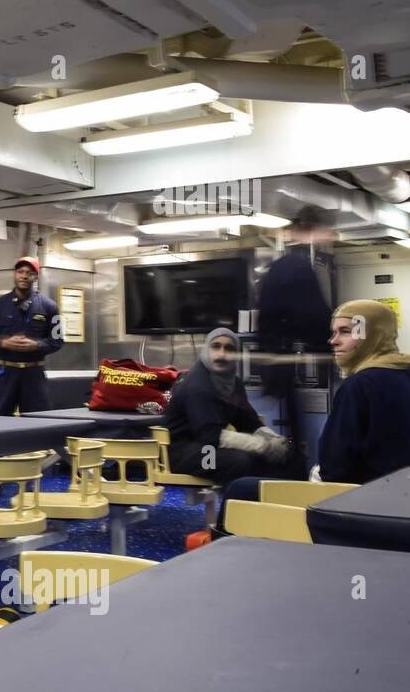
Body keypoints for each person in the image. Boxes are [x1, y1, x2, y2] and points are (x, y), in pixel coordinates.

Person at [163, 328, 305, 485]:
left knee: (290, 456)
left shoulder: (233, 383)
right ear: (206, 351)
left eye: (229, 348)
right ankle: (236, 506)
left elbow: (249, 422)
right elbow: (210, 435)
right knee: (239, 461)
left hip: (209, 447)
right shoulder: (197, 384)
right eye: (215, 346)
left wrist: (278, 442)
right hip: (185, 454)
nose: (222, 354)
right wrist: (265, 446)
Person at [256, 206, 332, 441]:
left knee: (293, 424)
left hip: (279, 358)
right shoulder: (297, 267)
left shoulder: (285, 266)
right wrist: (330, 343)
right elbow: (312, 314)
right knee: (297, 427)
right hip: (284, 358)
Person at [315, 300, 410, 483]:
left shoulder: (359, 386)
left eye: (345, 331)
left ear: (373, 334)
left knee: (244, 487)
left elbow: (335, 466)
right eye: (333, 333)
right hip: (401, 497)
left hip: (369, 498)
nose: (333, 341)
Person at [0, 257, 63, 416]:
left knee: (40, 422)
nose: (24, 276)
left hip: (34, 374)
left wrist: (37, 345)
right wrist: (4, 343)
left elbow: (57, 341)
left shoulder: (49, 306)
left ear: (35, 277)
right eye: (20, 272)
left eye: (29, 273)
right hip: (5, 372)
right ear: (14, 274)